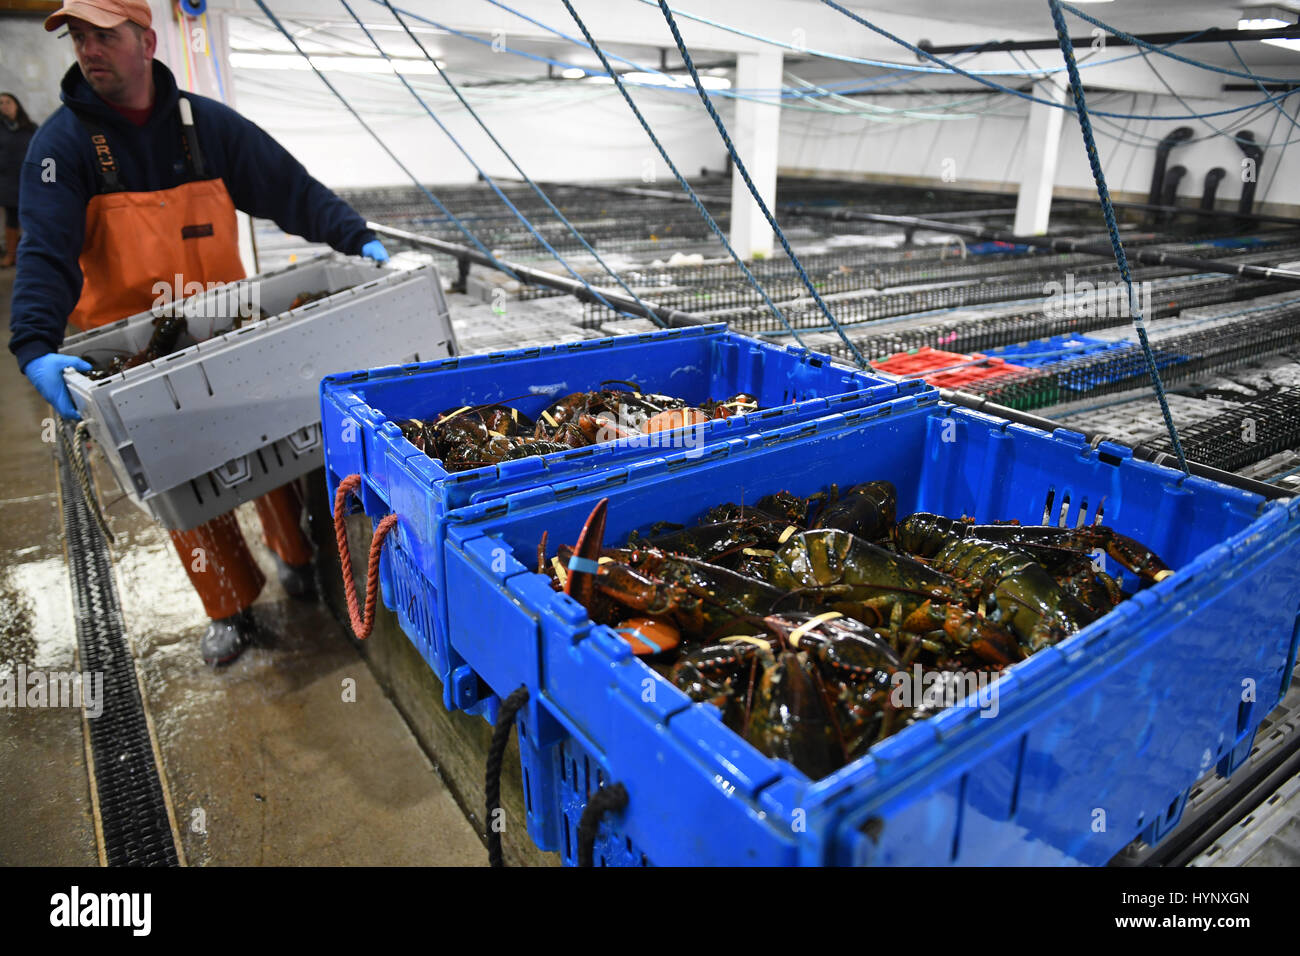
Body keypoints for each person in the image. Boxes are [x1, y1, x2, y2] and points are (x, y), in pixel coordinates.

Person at [9, 0, 391, 666]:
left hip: (226, 337)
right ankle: (229, 608)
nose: (89, 49)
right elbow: (46, 250)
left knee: (268, 456)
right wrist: (35, 343)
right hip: (136, 359)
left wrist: (357, 236)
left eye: (105, 34)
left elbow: (289, 188)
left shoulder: (205, 126)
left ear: (146, 39)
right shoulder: (62, 147)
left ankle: (293, 557)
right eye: (78, 37)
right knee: (181, 490)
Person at [0, 92, 37, 268]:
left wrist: (49, 178)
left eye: (8, 101)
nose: (4, 105)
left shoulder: (30, 128)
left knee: (35, 217)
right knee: (11, 219)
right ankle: (11, 255)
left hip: (30, 180)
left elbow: (47, 156)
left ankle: (35, 255)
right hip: (7, 182)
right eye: (1, 103)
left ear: (16, 104)